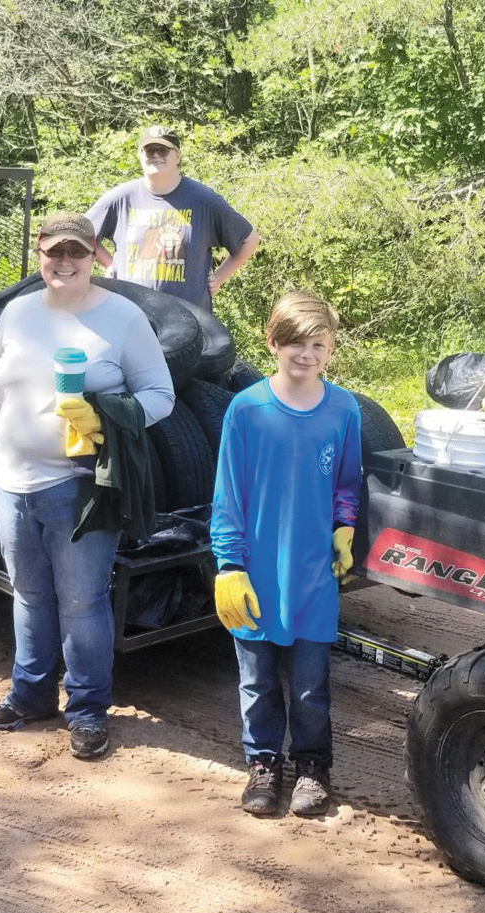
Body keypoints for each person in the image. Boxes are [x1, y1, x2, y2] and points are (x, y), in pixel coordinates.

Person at [0, 212, 175, 760]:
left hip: (81, 485)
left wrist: (106, 419)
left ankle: (86, 711)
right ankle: (30, 696)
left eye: (76, 253)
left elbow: (161, 394)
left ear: (95, 256)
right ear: (39, 253)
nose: (64, 263)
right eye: (54, 252)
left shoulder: (122, 318)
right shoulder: (16, 313)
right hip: (13, 482)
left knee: (82, 602)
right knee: (30, 595)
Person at [210, 290, 362, 816]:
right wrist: (228, 564)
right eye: (296, 343)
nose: (307, 354)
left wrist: (345, 529)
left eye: (318, 344)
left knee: (309, 684)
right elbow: (228, 493)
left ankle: (313, 767)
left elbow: (347, 482)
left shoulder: (344, 409)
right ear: (273, 342)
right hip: (255, 570)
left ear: (332, 348)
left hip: (313, 572)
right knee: (256, 681)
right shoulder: (246, 409)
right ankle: (264, 763)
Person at [85, 125, 260, 311]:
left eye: (163, 150)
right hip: (131, 315)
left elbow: (249, 239)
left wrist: (219, 276)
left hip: (189, 319)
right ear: (140, 155)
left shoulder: (203, 200)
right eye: (149, 150)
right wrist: (110, 264)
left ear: (177, 156)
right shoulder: (122, 197)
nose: (155, 155)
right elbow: (81, 233)